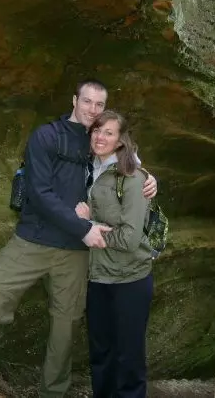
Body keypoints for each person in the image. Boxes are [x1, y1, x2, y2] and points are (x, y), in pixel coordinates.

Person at [0, 80, 157, 398]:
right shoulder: (46, 136)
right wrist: (84, 227)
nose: (92, 110)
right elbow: (39, 192)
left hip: (77, 252)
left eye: (99, 104)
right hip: (33, 239)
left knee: (65, 328)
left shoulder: (99, 142)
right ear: (74, 100)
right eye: (87, 101)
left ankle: (53, 392)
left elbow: (126, 164)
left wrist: (150, 177)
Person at [75, 110, 154, 398]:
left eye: (109, 132)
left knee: (128, 359)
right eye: (97, 130)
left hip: (129, 280)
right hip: (98, 278)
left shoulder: (133, 179)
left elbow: (131, 239)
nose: (100, 137)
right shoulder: (88, 169)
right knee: (101, 355)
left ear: (121, 140)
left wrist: (89, 225)